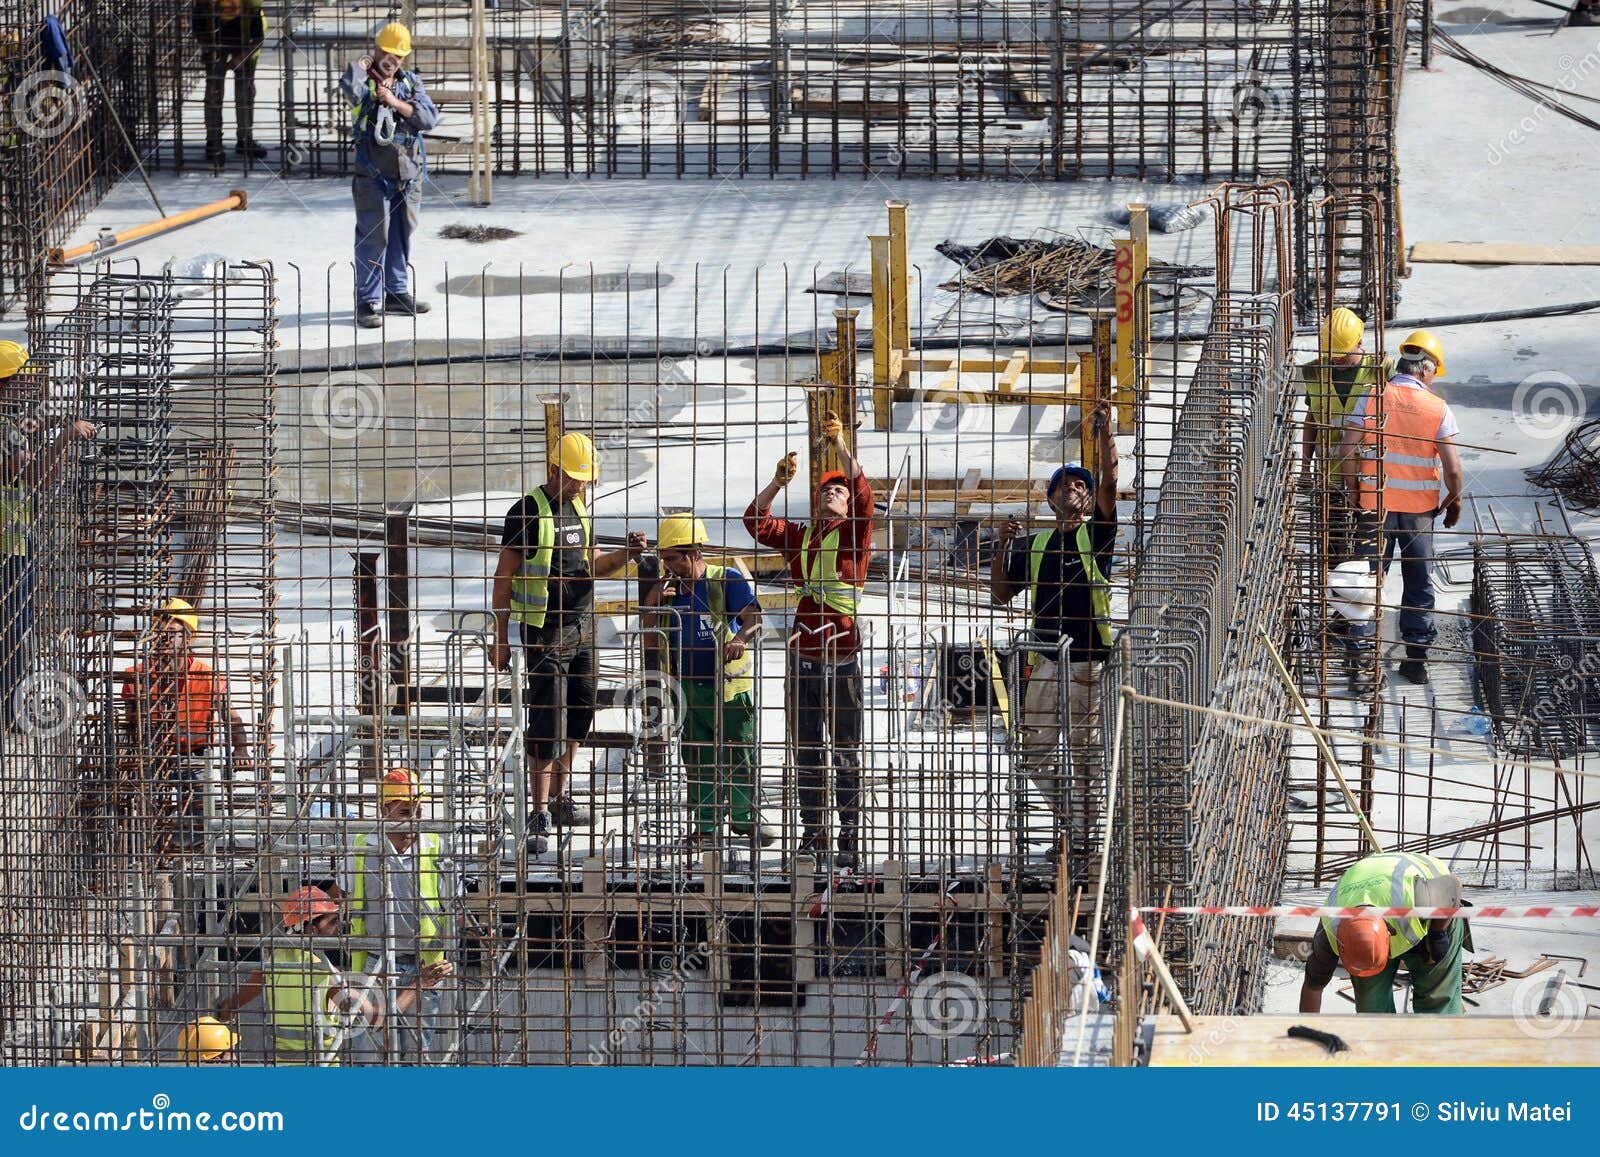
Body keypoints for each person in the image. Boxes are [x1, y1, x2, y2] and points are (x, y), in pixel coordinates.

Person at [491, 432, 646, 854]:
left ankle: (561, 798)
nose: (583, 486)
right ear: (556, 470)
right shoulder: (526, 511)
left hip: (583, 628)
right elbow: (503, 577)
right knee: (545, 719)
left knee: (579, 711)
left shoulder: (579, 508)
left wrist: (625, 555)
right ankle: (538, 808)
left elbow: (594, 564)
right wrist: (500, 637)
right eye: (577, 478)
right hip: (544, 631)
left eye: (586, 480)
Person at [990, 398, 1117, 867]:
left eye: (1079, 485)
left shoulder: (1096, 535)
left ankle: (1086, 844)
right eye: (1063, 485)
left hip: (1087, 662)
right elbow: (1002, 595)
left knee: (1085, 758)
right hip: (1045, 660)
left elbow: (1110, 483)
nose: (1072, 490)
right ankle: (1075, 829)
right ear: (1051, 498)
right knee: (1035, 753)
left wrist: (1105, 434)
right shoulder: (1037, 544)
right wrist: (1003, 547)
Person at [744, 410, 874, 866]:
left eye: (836, 491)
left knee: (846, 751)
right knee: (808, 752)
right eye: (824, 490)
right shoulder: (801, 535)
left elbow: (864, 496)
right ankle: (813, 833)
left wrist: (840, 447)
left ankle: (849, 836)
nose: (831, 494)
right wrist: (778, 483)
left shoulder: (855, 533)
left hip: (841, 656)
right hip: (803, 656)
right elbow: (756, 522)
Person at [1338, 329, 1464, 689]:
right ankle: (1415, 662)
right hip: (1418, 514)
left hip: (1373, 507)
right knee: (1418, 582)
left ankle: (1360, 662)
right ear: (1426, 371)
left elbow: (1346, 449)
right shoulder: (1437, 408)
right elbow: (1453, 468)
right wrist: (1454, 500)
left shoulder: (1372, 396)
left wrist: (1353, 493)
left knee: (1364, 583)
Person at [641, 513, 772, 854]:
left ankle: (746, 819)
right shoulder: (668, 590)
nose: (667, 565)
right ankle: (705, 827)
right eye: (663, 558)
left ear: (694, 552)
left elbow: (754, 618)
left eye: (673, 558)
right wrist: (654, 598)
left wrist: (740, 638)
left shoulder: (724, 580)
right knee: (697, 757)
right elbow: (650, 637)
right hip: (688, 688)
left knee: (738, 752)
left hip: (728, 687)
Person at [328, 768, 456, 1061]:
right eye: (405, 811)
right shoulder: (363, 846)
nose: (414, 818)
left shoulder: (435, 846)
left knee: (415, 1053)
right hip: (376, 961)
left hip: (425, 964)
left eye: (418, 810)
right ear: (385, 810)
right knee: (371, 1050)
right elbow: (340, 892)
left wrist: (475, 930)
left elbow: (454, 902)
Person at [1, 341, 94, 729]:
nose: (31, 390)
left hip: (13, 537)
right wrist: (65, 437)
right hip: (8, 543)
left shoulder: (10, 426)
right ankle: (8, 711)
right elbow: (35, 476)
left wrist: (42, 431)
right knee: (12, 630)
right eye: (23, 382)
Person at [120, 599, 255, 840]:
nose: (164, 638)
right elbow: (129, 725)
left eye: (172, 633)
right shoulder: (136, 675)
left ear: (188, 638)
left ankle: (194, 851)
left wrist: (241, 749)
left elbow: (231, 717)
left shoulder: (207, 676)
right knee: (142, 804)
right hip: (151, 755)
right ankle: (152, 850)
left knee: (202, 805)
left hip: (195, 754)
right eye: (158, 632)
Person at [339, 23, 438, 329]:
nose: (391, 59)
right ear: (377, 49)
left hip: (408, 173)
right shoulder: (363, 82)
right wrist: (362, 66)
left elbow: (428, 118)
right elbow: (349, 90)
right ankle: (367, 301)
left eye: (397, 54)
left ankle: (395, 292)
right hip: (373, 173)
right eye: (387, 53)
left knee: (401, 232)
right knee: (373, 235)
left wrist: (394, 103)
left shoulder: (410, 84)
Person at [214, 886, 368, 1065]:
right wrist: (408, 988)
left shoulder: (273, 962)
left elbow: (231, 1006)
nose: (337, 927)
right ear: (311, 928)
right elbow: (371, 1015)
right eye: (333, 921)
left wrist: (219, 1017)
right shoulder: (327, 973)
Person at [1298, 851, 1465, 1015]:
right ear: (1342, 946)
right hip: (1378, 890)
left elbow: (1454, 885)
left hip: (1434, 914)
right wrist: (1306, 1033)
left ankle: (1439, 1038)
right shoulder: (1329, 930)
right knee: (1371, 1009)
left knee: (1437, 1003)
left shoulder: (1419, 897)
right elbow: (1313, 987)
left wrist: (1438, 932)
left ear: (1389, 937)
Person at [1299, 308, 1392, 565]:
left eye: (1341, 355)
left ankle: (1360, 601)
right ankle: (1338, 602)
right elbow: (1311, 420)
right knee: (1334, 550)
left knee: (1367, 552)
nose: (1335, 361)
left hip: (1370, 477)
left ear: (1359, 342)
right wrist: (1305, 468)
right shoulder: (1314, 371)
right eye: (1331, 356)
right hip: (1330, 476)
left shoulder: (1380, 368)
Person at [191, 0, 266, 167]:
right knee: (213, 90)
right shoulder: (203, 6)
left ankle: (245, 139)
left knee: (245, 90)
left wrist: (241, 59)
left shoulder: (250, 6)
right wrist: (211, 52)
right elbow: (199, 33)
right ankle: (213, 142)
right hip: (215, 43)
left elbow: (258, 39)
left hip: (243, 44)